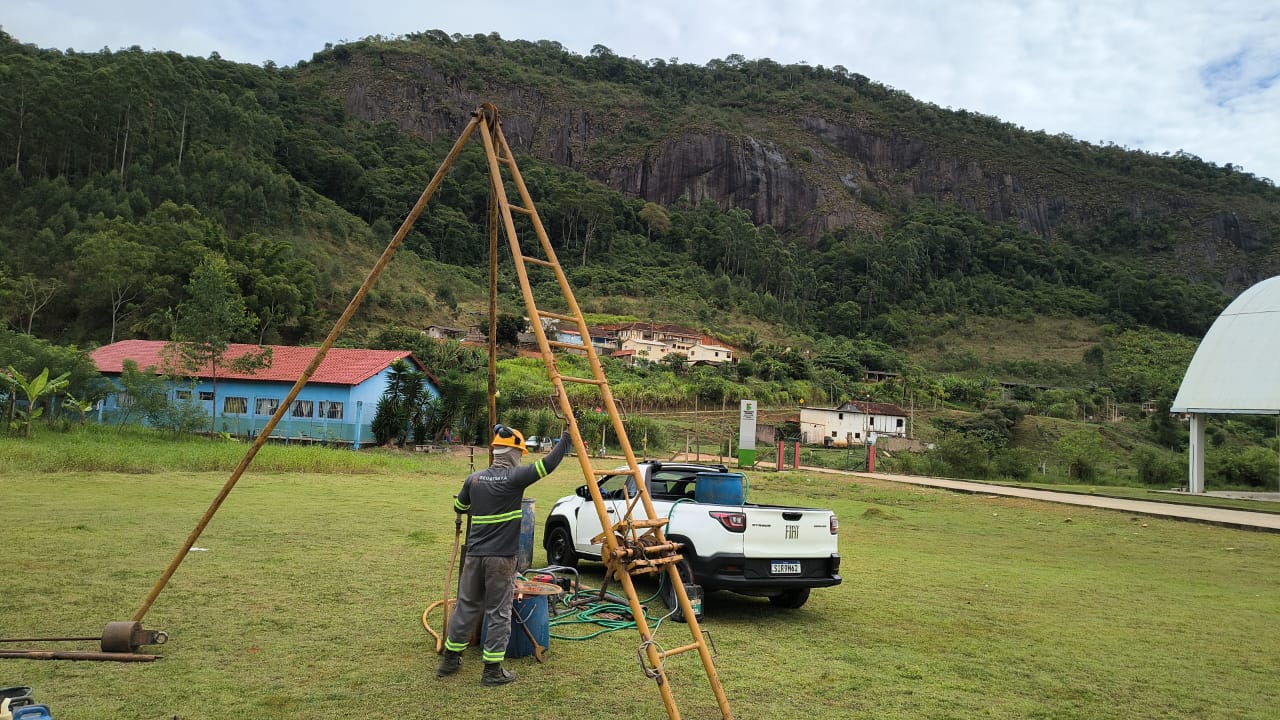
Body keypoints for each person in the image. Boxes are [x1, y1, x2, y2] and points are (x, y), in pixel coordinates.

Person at [437, 424, 572, 686]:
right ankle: (492, 672)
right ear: (512, 453)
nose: (521, 458)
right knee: (499, 611)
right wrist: (566, 440)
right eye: (520, 453)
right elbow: (548, 465)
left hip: (474, 556)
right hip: (500, 558)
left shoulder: (473, 479)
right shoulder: (515, 477)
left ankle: (449, 661)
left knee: (466, 606)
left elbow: (459, 506)